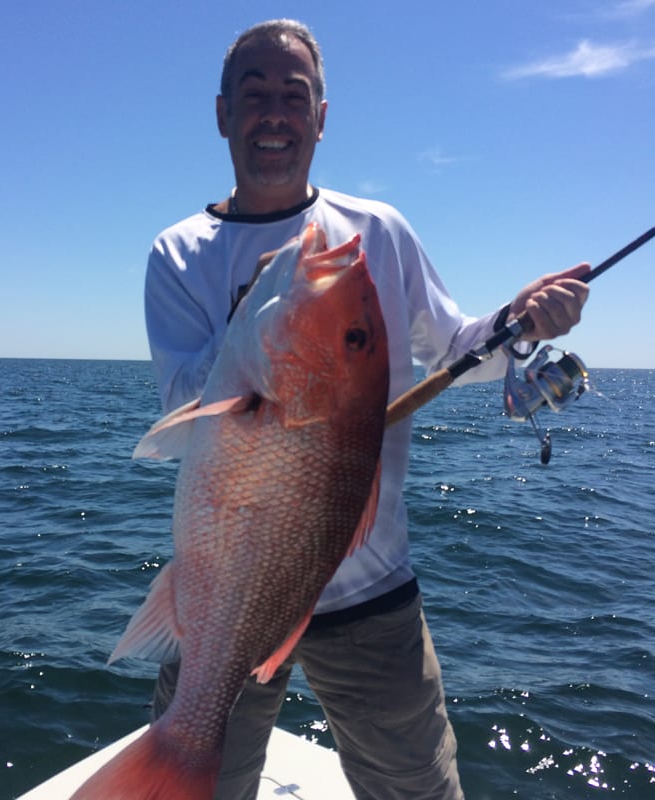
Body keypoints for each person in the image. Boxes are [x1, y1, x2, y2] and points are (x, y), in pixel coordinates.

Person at [142, 18, 590, 800]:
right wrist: (268, 321)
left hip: (371, 587)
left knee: (418, 788)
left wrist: (517, 323)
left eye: (295, 96)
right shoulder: (179, 252)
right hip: (233, 584)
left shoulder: (378, 230)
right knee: (197, 778)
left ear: (321, 117)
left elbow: (453, 347)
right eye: (255, 94)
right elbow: (184, 407)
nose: (275, 113)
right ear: (222, 114)